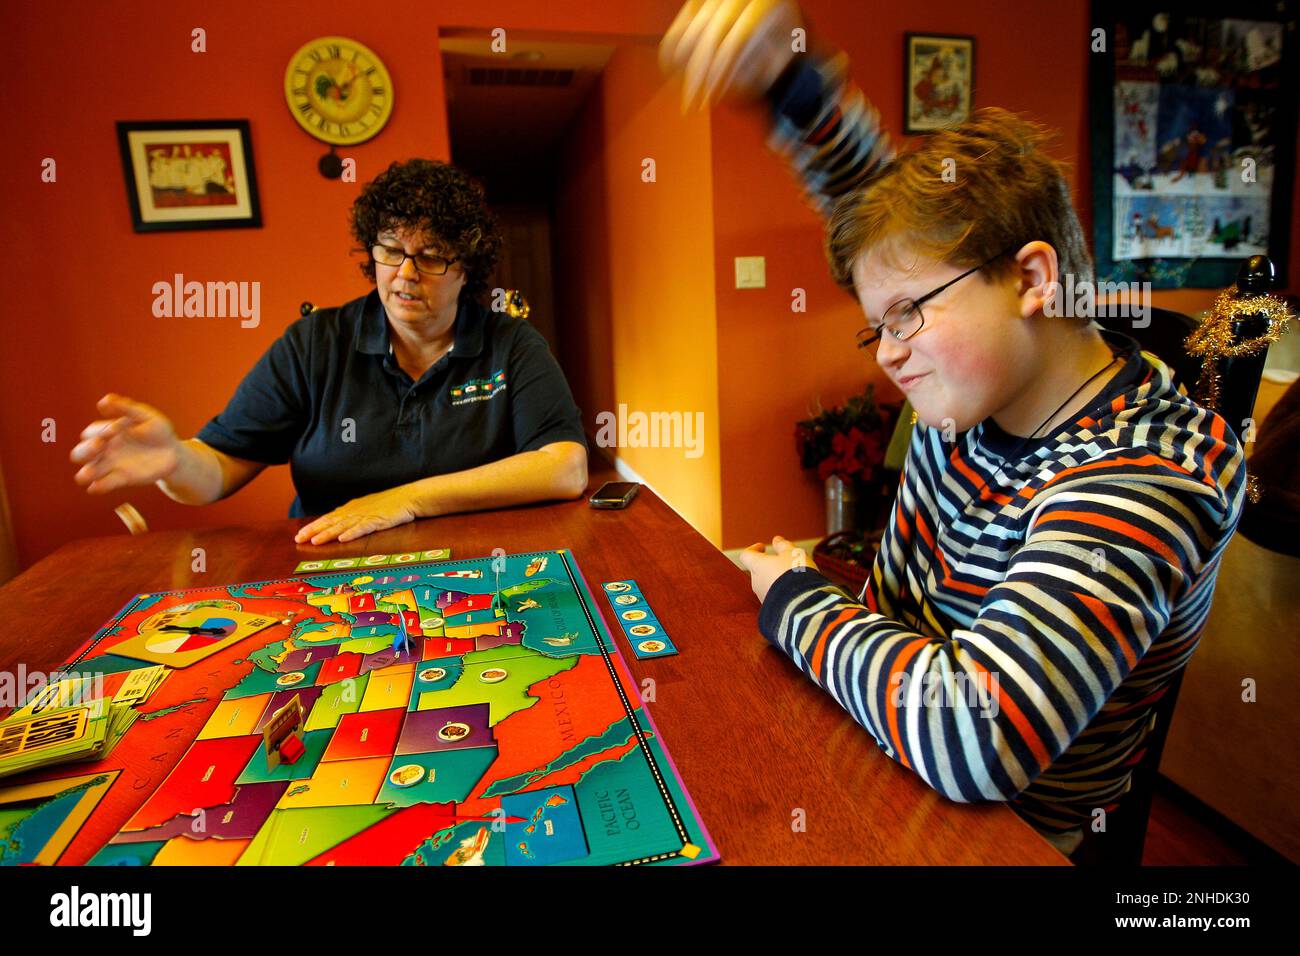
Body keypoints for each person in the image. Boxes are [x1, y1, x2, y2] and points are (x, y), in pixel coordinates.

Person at [662, 1, 1245, 859]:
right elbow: (880, 208)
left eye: (907, 317)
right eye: (878, 325)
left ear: (1031, 279)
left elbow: (977, 735)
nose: (889, 355)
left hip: (999, 837)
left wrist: (795, 594)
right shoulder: (979, 376)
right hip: (875, 748)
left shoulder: (1149, 469)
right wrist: (787, 81)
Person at [71, 159, 588, 544]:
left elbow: (564, 467)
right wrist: (175, 460)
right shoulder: (314, 343)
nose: (405, 273)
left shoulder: (512, 344)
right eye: (390, 250)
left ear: (466, 269)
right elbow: (216, 470)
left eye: (430, 256)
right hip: (334, 573)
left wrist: (406, 500)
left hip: (486, 563)